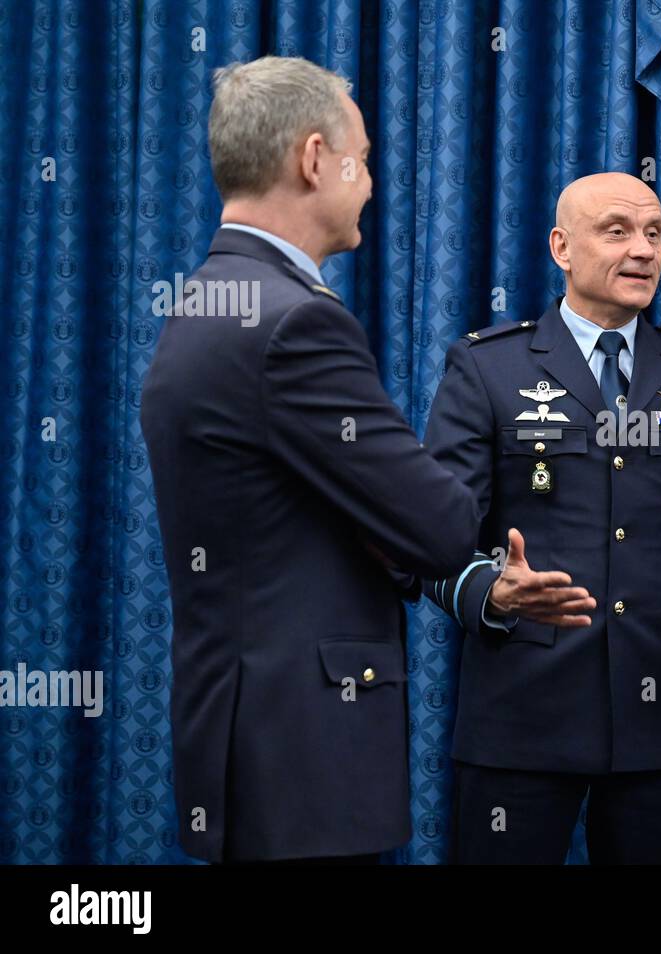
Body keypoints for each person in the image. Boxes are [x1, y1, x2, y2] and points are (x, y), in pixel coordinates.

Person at [141, 57, 479, 863]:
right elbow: (443, 525)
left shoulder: (208, 300)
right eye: (363, 159)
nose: (370, 182)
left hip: (247, 745)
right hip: (307, 766)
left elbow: (295, 517)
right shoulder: (296, 323)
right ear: (315, 158)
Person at [421, 172, 661, 864]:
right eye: (617, 231)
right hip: (521, 715)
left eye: (653, 234)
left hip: (658, 719)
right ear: (562, 247)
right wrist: (490, 592)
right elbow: (432, 540)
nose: (643, 250)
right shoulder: (487, 367)